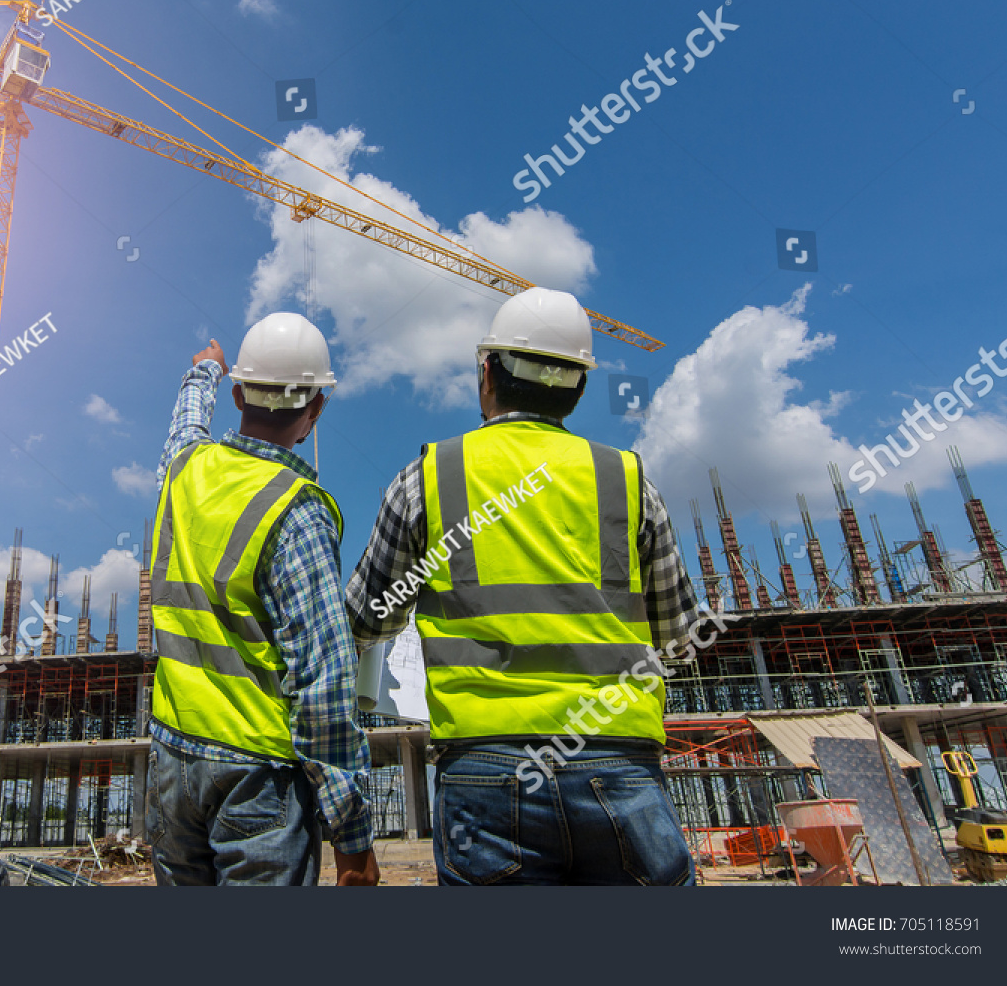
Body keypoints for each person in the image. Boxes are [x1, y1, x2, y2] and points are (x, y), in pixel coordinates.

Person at [345, 287, 704, 885]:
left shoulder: (429, 477)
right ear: (579, 387)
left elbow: (364, 620)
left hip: (485, 766)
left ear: (486, 372)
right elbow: (679, 635)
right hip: (616, 754)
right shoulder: (627, 480)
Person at [145, 312, 379, 886]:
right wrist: (351, 837)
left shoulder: (185, 471)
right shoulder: (298, 510)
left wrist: (204, 370)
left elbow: (186, 423)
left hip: (171, 767)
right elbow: (323, 687)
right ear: (315, 411)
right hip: (259, 778)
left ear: (239, 394)